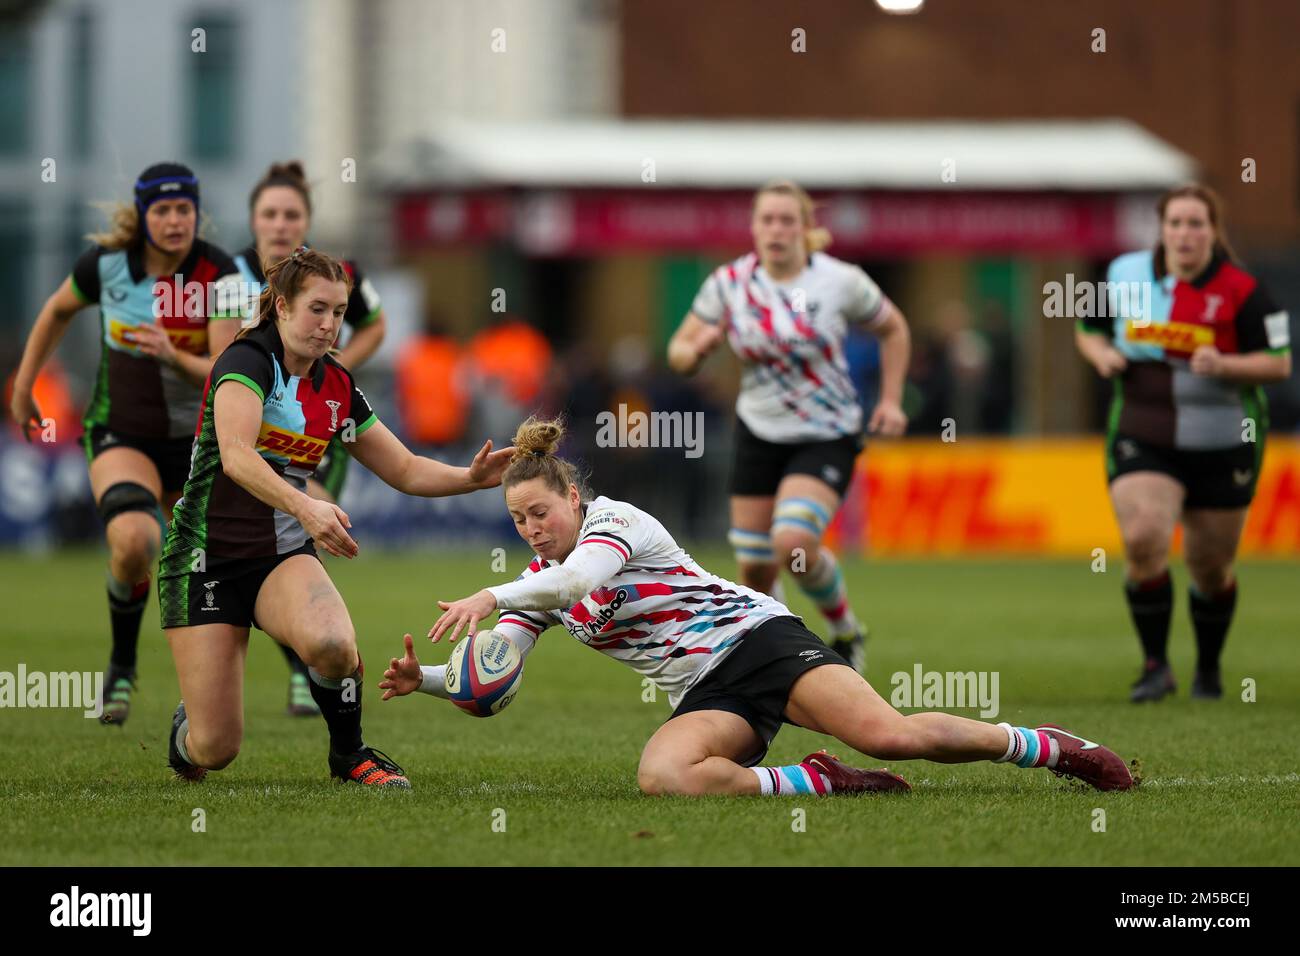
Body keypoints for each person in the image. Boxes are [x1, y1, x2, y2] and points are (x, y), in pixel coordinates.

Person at [379, 417, 1135, 797]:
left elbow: (578, 584)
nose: (531, 529)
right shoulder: (538, 581)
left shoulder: (615, 523)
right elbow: (494, 678)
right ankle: (817, 782)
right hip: (707, 693)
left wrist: (490, 590)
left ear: (572, 498)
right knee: (665, 779)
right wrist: (436, 681)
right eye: (518, 521)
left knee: (892, 736)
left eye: (541, 512)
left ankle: (1048, 747)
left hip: (758, 640)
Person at [159, 247, 511, 787]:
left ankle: (349, 755)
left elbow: (406, 468)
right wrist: (308, 508)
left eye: (340, 312)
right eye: (316, 309)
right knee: (214, 748)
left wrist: (469, 477)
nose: (329, 325)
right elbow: (236, 457)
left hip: (278, 556)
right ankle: (189, 731)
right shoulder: (246, 361)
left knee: (334, 646)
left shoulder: (337, 386)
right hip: (203, 560)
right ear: (281, 306)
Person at [9, 162, 241, 725]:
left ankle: (204, 698)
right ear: (142, 216)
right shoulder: (106, 266)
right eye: (161, 210)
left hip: (198, 445)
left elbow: (223, 372)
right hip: (122, 433)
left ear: (196, 213)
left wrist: (169, 353)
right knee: (135, 540)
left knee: (213, 567)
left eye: (183, 208)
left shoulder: (224, 272)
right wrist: (22, 385)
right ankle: (121, 663)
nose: (173, 219)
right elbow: (57, 310)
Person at [666, 179, 912, 673]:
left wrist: (890, 400)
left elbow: (894, 327)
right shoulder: (730, 284)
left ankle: (844, 629)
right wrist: (695, 353)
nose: (776, 229)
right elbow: (677, 350)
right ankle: (779, 658)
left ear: (805, 228)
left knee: (793, 544)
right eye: (767, 220)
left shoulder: (840, 281)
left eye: (786, 220)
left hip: (827, 432)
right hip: (758, 433)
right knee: (755, 570)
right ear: (754, 227)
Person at [1075, 184, 1291, 702]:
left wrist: (1228, 365)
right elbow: (1088, 328)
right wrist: (1100, 355)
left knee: (1210, 567)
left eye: (1196, 224)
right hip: (1144, 428)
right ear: (1162, 227)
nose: (1185, 234)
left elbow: (1279, 363)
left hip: (1223, 436)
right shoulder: (1123, 273)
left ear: (1213, 231)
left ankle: (1210, 671)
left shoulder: (1245, 289)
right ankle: (1155, 667)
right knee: (1145, 536)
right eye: (1175, 223)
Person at [208, 161, 388, 716]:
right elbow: (221, 364)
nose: (281, 224)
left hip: (311, 434)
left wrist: (330, 377)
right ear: (254, 220)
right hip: (242, 434)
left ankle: (313, 665)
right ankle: (301, 651)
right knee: (304, 515)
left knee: (311, 523)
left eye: (293, 214)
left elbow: (376, 325)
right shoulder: (231, 286)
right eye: (270, 214)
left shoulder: (333, 274)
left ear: (307, 221)